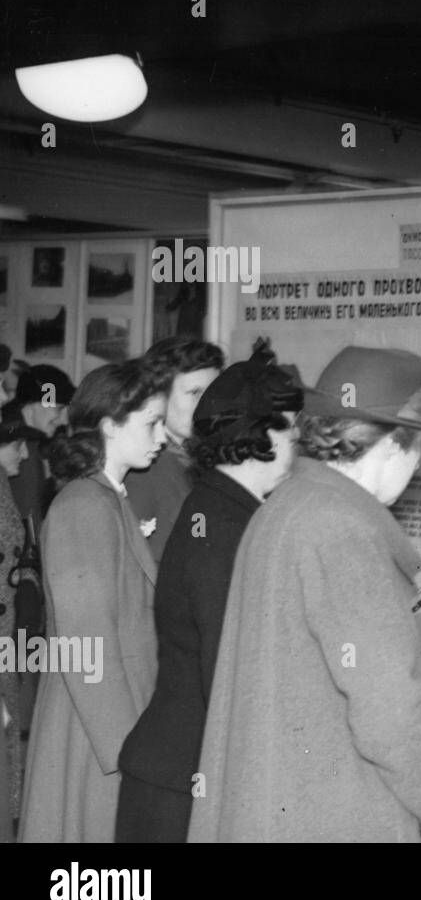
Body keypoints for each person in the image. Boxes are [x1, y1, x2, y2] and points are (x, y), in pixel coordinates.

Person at [189, 346, 421, 842]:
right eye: (418, 448)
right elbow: (390, 710)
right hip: (335, 814)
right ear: (392, 444)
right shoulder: (345, 528)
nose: (418, 464)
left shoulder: (289, 504)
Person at [116, 347, 303, 842]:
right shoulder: (222, 527)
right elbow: (230, 671)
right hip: (182, 783)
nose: (297, 441)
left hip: (183, 771)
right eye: (291, 429)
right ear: (263, 435)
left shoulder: (225, 511)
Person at [18, 361, 167, 842]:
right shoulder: (84, 505)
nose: (162, 436)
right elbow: (86, 645)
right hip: (97, 728)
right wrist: (127, 750)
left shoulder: (107, 498)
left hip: (108, 718)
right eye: (151, 423)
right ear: (110, 425)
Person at [128, 336, 225, 560]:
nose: (208, 404)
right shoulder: (144, 468)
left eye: (214, 392)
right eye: (194, 393)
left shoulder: (197, 458)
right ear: (157, 396)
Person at [0, 417, 42, 841]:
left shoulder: (5, 489)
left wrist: (27, 582)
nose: (25, 454)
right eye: (17, 445)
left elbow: (19, 554)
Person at [0, 363, 75, 529]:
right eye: (58, 409)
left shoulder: (32, 441)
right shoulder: (15, 448)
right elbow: (28, 517)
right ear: (35, 405)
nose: (64, 420)